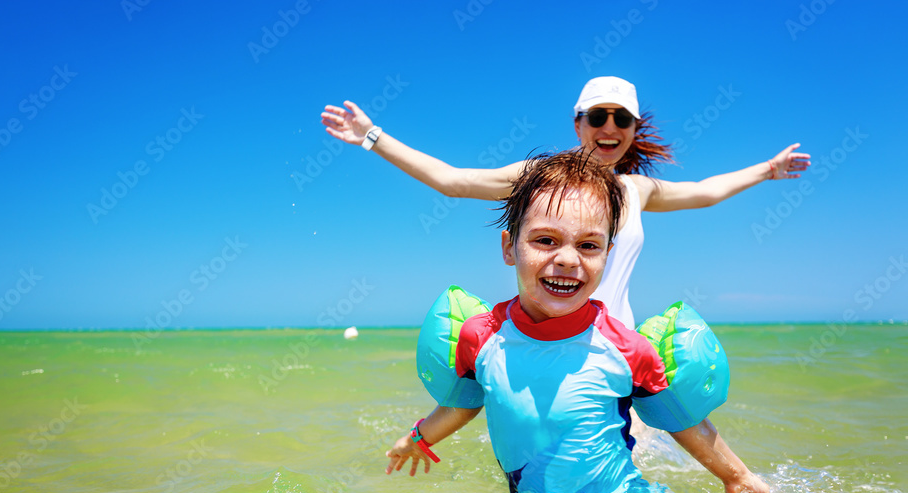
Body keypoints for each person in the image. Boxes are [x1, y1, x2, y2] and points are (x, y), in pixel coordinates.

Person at [383, 149, 777, 493]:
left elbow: (683, 423)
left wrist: (736, 476)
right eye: (545, 240)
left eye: (588, 246)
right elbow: (462, 406)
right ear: (509, 247)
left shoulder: (627, 349)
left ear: (607, 253)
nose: (569, 259)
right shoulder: (481, 337)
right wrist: (418, 437)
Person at [322, 76, 811, 328]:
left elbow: (706, 193)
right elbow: (453, 181)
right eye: (599, 116)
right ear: (578, 123)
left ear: (634, 130)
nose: (611, 128)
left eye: (623, 120)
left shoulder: (634, 190)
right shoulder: (539, 177)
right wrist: (372, 137)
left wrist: (767, 170)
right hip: (547, 339)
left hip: (618, 347)